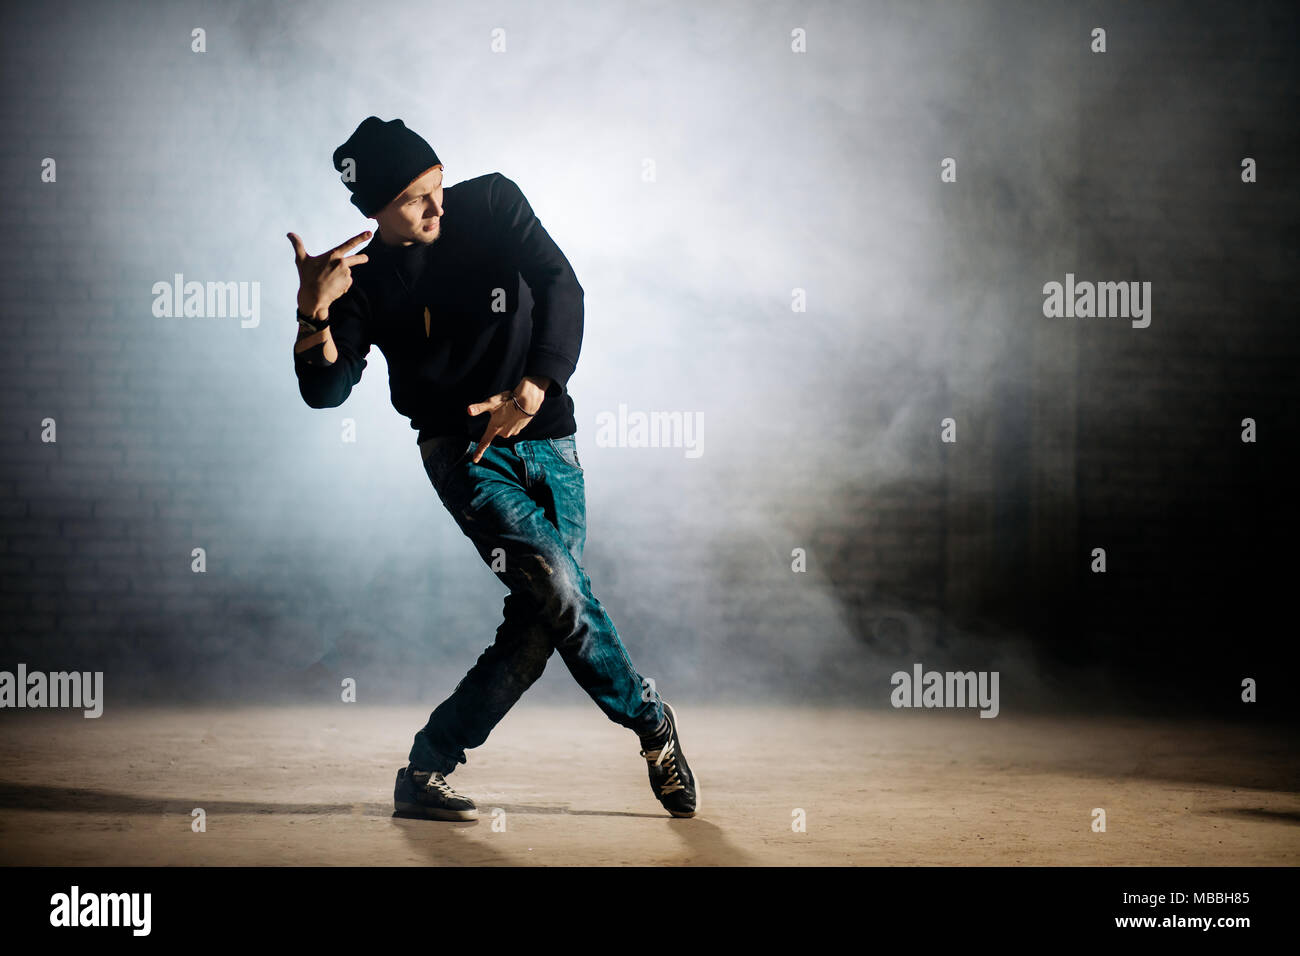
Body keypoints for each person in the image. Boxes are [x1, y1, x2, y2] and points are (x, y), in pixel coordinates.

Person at [288, 117, 699, 820]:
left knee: (539, 627)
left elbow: (561, 284)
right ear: (375, 210)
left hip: (551, 437)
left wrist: (535, 385)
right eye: (416, 198)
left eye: (438, 185)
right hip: (463, 453)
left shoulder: (494, 205)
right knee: (559, 589)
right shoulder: (357, 282)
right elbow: (327, 390)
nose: (437, 206)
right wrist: (311, 314)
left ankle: (425, 768)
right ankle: (650, 722)